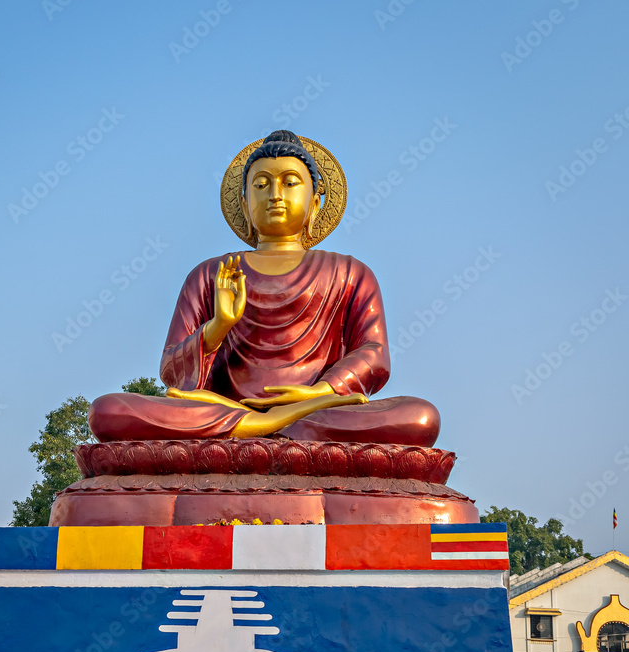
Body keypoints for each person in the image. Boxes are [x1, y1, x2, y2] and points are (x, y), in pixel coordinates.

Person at [89, 130, 439, 446]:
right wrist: (218, 326)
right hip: (226, 407)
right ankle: (275, 426)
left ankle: (267, 426)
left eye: (289, 183)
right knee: (110, 411)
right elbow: (172, 373)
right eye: (261, 185)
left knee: (419, 417)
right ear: (244, 204)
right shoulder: (212, 274)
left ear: (315, 203)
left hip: (316, 407)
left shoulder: (349, 272)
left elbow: (374, 355)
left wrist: (318, 392)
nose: (275, 195)